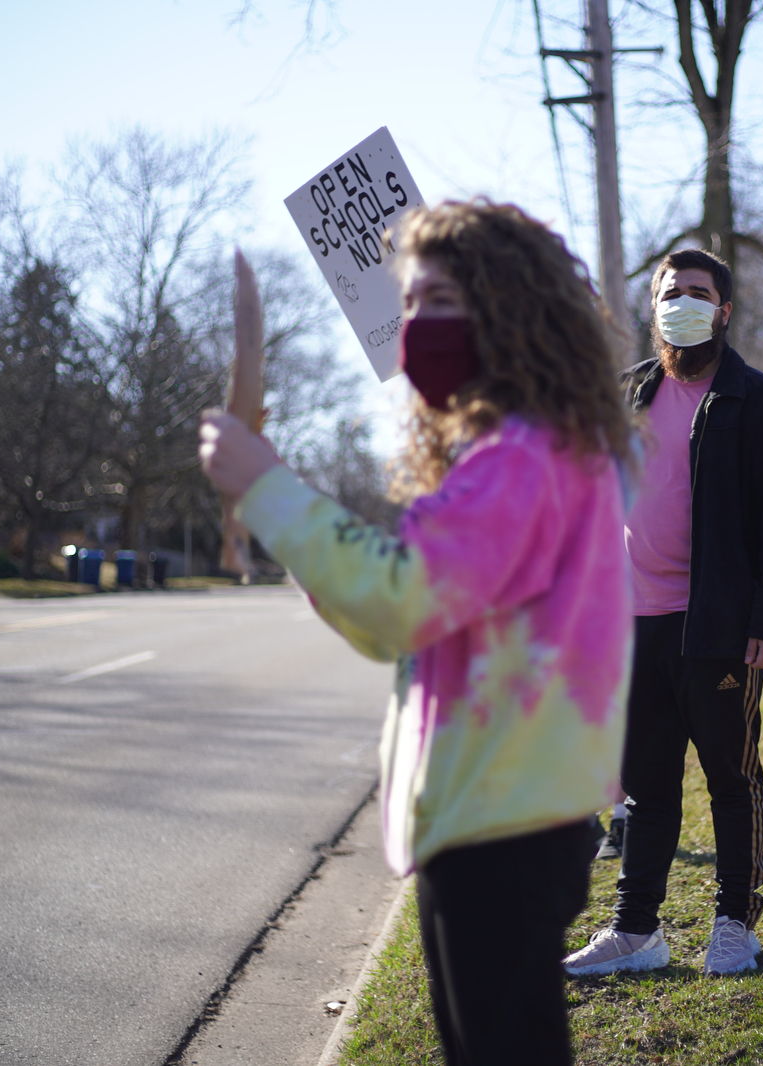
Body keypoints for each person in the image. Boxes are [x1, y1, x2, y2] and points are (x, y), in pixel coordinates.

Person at [199, 200, 634, 1066]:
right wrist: (279, 507)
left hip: (498, 825)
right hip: (500, 814)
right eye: (410, 301)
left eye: (437, 298)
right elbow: (396, 618)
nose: (414, 325)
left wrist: (269, 487)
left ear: (505, 304)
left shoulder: (522, 459)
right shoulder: (536, 451)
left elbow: (398, 595)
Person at [563, 248, 763, 978]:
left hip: (720, 627)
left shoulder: (759, 402)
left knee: (731, 780)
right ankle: (636, 930)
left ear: (725, 311)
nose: (684, 303)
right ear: (654, 306)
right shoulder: (625, 396)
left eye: (699, 293)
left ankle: (736, 922)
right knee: (645, 786)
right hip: (633, 626)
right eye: (672, 293)